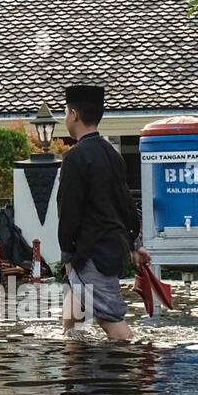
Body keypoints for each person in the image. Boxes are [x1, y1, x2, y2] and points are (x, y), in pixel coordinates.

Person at [57, 84, 149, 341]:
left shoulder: (75, 158)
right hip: (112, 247)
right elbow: (126, 204)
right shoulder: (112, 154)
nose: (65, 117)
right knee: (72, 320)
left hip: (90, 252)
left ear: (74, 114)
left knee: (111, 321)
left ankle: (134, 374)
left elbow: (69, 210)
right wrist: (134, 243)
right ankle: (73, 376)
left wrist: (67, 251)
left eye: (65, 111)